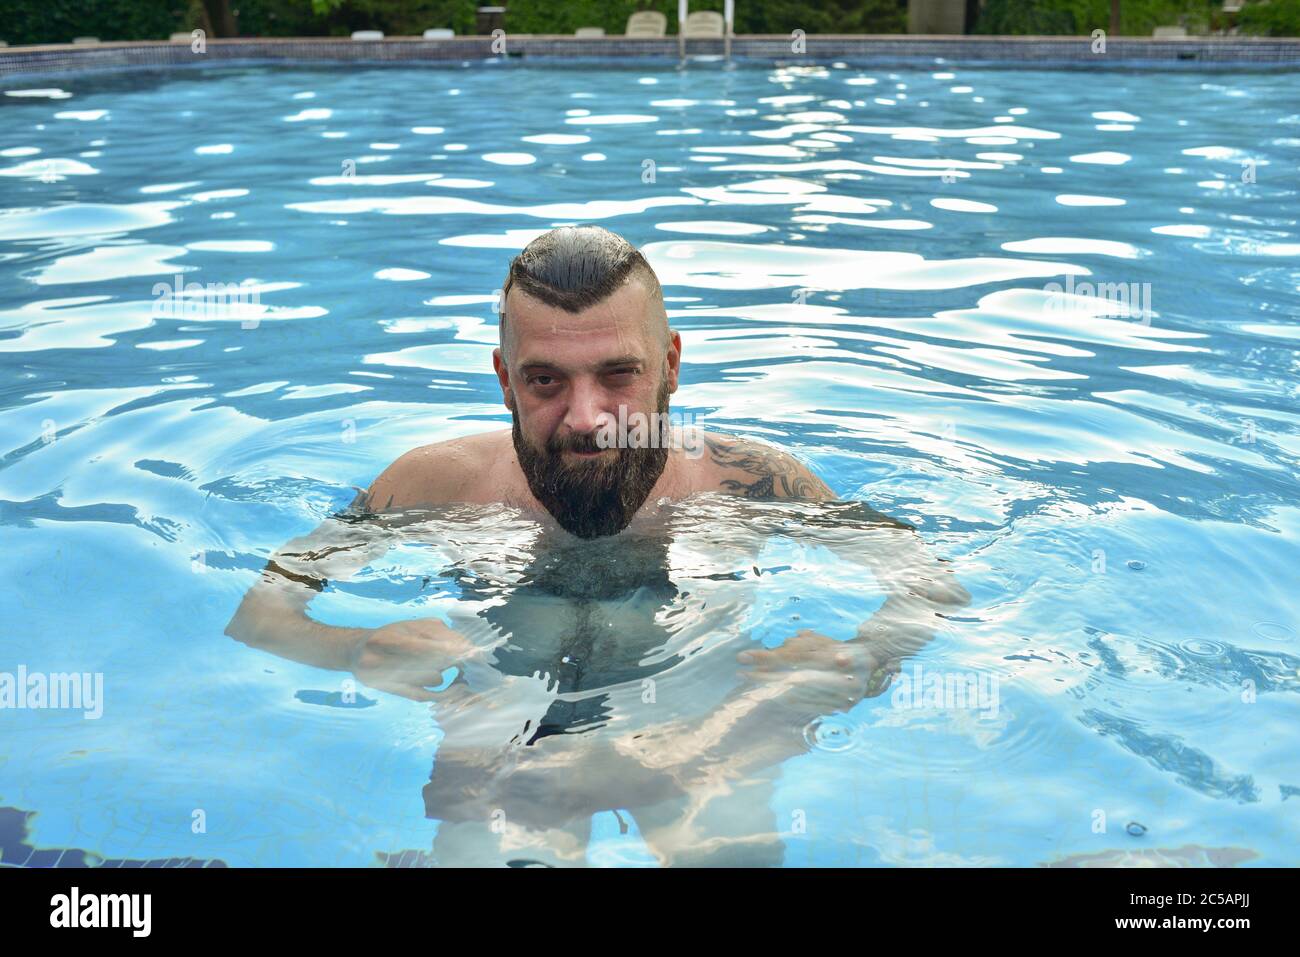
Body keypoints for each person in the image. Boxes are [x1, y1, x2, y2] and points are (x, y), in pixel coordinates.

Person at [225, 225, 968, 865]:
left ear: (671, 365)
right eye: (545, 380)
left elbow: (933, 589)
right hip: (501, 749)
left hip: (698, 737)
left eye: (618, 374)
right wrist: (352, 649)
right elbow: (262, 615)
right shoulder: (430, 484)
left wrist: (822, 679)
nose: (585, 418)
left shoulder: (751, 482)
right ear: (503, 381)